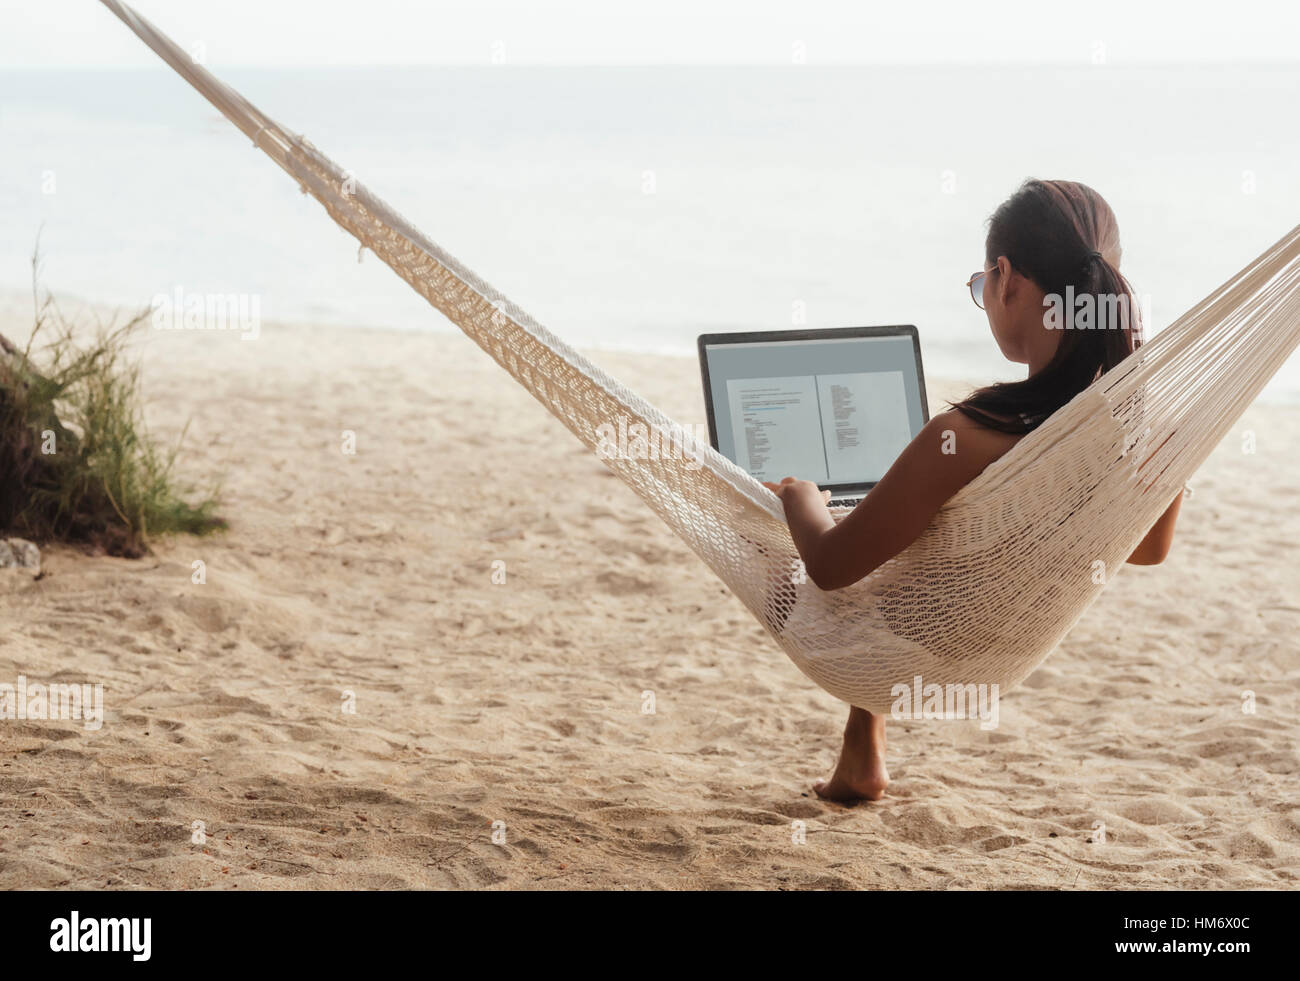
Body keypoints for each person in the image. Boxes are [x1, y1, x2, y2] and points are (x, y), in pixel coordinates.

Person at [764, 178, 1183, 802]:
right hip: (998, 654)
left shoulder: (962, 437)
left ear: (1006, 277)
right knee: (925, 542)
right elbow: (1148, 550)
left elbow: (827, 568)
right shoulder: (1136, 431)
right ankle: (862, 756)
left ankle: (861, 741)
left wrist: (803, 501)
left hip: (911, 653)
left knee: (769, 549)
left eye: (981, 285)